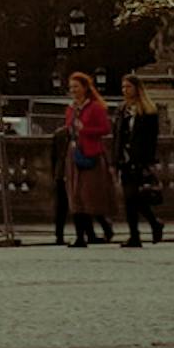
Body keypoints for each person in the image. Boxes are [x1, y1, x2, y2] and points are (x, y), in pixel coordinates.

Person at [60, 73, 120, 250]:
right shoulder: (70, 109)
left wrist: (85, 130)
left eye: (76, 87)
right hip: (74, 153)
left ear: (85, 88)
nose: (73, 91)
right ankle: (81, 236)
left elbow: (105, 128)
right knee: (76, 195)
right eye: (71, 88)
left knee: (90, 195)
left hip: (91, 154)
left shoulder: (95, 108)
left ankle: (101, 226)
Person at [114, 91, 166, 247]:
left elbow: (152, 138)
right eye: (123, 86)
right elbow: (117, 135)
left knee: (134, 197)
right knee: (130, 198)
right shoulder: (122, 109)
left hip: (140, 160)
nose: (124, 90)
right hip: (125, 159)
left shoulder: (148, 111)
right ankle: (143, 229)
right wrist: (116, 158)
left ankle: (139, 233)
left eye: (128, 86)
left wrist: (147, 160)